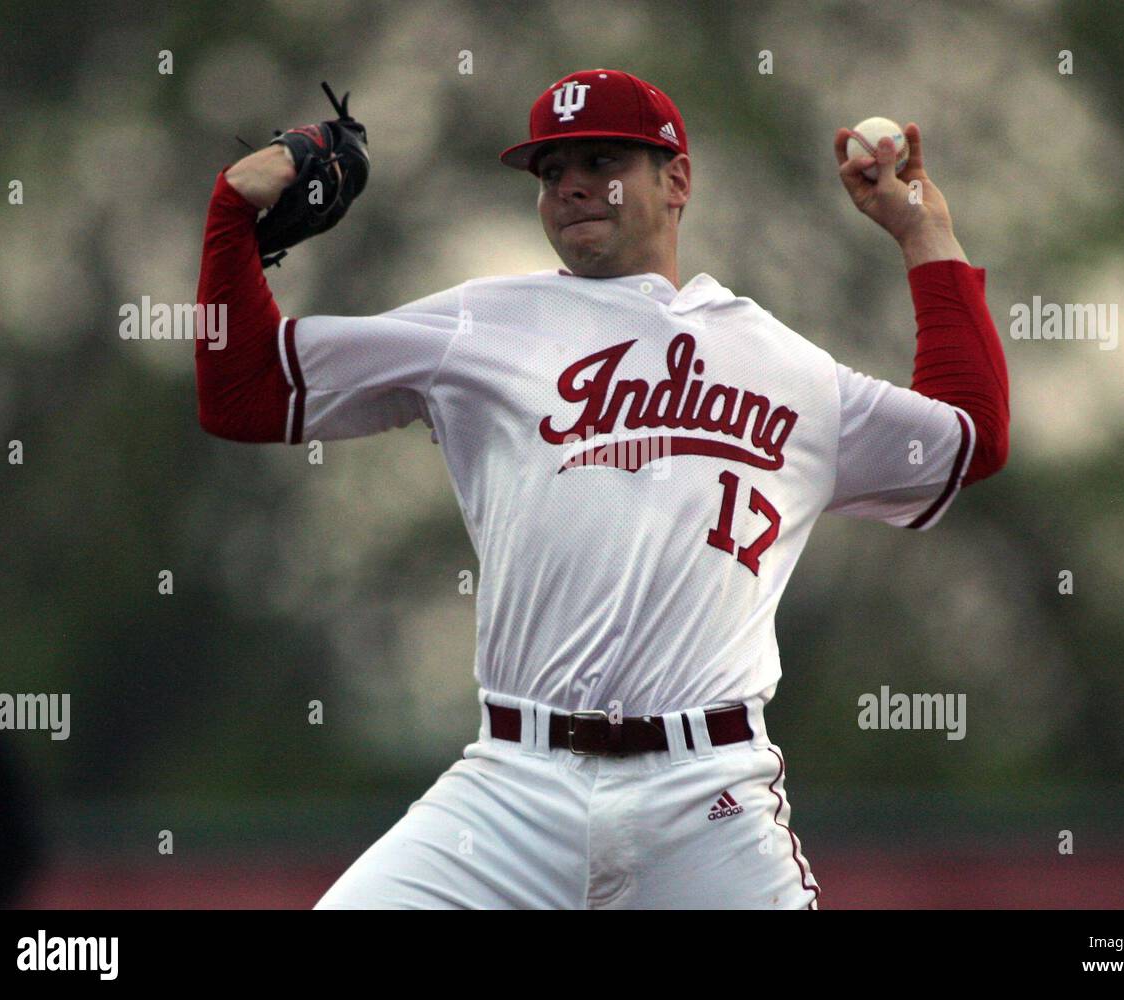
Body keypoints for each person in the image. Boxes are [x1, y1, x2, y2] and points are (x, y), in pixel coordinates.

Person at [196, 68, 1009, 909]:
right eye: (553, 172)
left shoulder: (790, 369)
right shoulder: (478, 323)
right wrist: (232, 215)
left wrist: (923, 233)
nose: (573, 185)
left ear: (677, 180)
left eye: (603, 159)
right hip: (512, 789)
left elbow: (969, 437)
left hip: (708, 799)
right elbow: (244, 393)